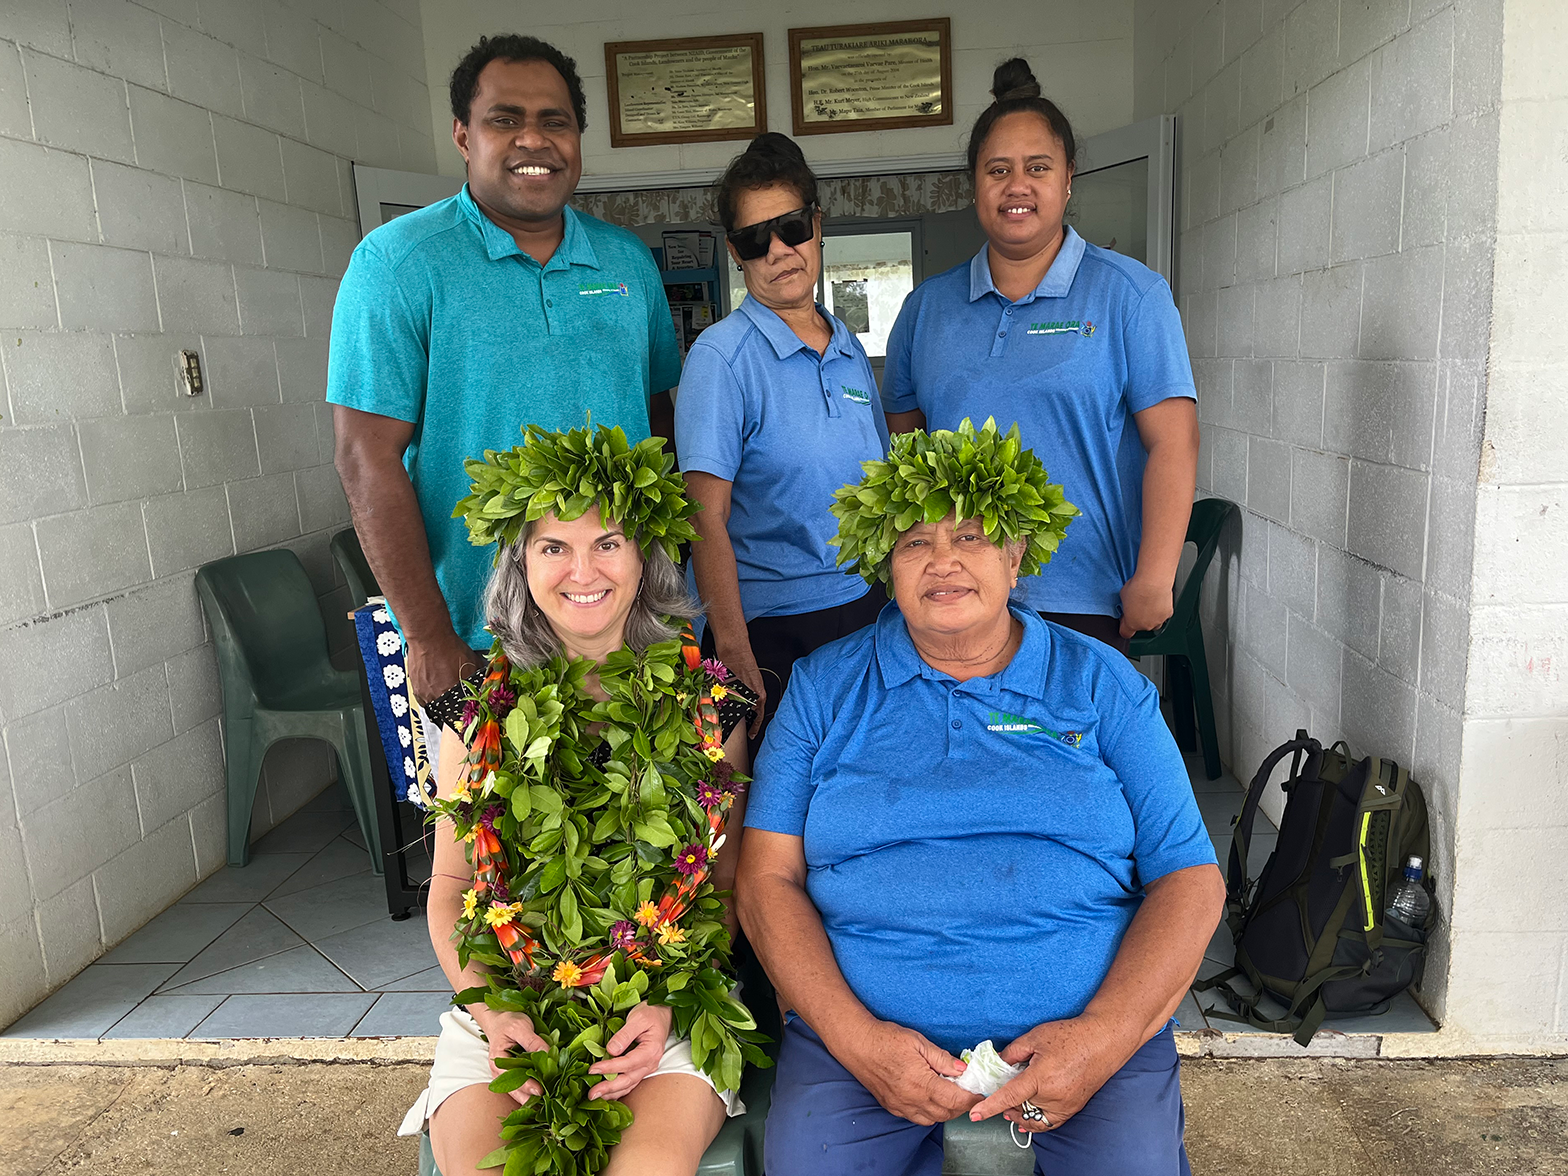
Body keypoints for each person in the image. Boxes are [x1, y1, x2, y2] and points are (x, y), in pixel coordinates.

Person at [737, 419, 1224, 1176]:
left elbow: (1190, 880)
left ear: (1016, 555)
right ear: (885, 563)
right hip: (861, 1048)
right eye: (914, 543)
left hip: (1087, 1040)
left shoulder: (1102, 684)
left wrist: (1104, 1036)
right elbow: (766, 879)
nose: (944, 562)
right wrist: (855, 1040)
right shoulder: (823, 689)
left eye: (971, 537)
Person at [398, 426, 759, 1176]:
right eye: (554, 547)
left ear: (644, 557)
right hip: (510, 1003)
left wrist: (665, 1004)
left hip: (668, 1004)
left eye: (608, 543)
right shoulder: (474, 709)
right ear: (521, 563)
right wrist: (491, 1009)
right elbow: (452, 888)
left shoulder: (712, 705)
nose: (582, 570)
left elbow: (725, 886)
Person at [329, 35, 681, 782]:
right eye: (505, 119)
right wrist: (427, 636)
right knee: (493, 846)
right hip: (480, 640)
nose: (533, 140)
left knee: (640, 837)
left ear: (578, 137)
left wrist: (666, 593)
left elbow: (659, 428)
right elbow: (365, 456)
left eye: (555, 121)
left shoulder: (627, 263)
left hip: (623, 630)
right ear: (463, 134)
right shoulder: (397, 264)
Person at [883, 58, 1200, 654]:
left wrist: (1155, 578)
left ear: (1068, 178)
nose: (1017, 186)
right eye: (998, 170)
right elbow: (906, 453)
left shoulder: (1130, 296)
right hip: (957, 600)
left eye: (1038, 167)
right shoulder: (926, 309)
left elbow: (1174, 442)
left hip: (1086, 597)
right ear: (974, 184)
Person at [676, 133, 889, 751]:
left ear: (817, 226)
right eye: (754, 239)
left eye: (791, 228)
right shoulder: (722, 357)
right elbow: (704, 518)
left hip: (861, 609)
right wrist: (733, 646)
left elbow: (881, 488)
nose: (778, 251)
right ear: (735, 253)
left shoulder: (847, 347)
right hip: (769, 627)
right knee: (775, 795)